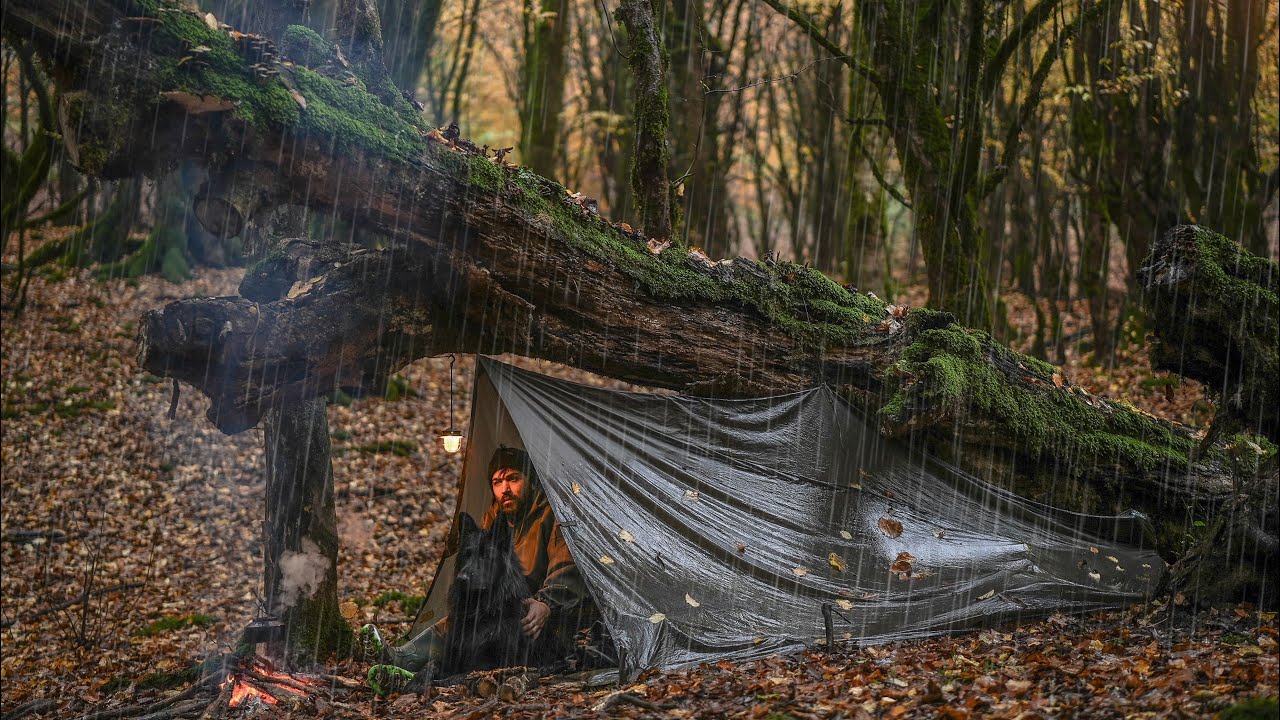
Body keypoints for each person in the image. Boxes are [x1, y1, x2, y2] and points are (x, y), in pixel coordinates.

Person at [365, 447, 591, 694]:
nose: (504, 489)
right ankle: (410, 665)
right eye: (497, 482)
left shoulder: (553, 515)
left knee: (492, 629)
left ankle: (413, 663)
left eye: (513, 478)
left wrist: (546, 602)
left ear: (530, 480)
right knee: (468, 615)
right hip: (501, 608)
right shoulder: (493, 519)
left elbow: (567, 567)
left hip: (539, 616)